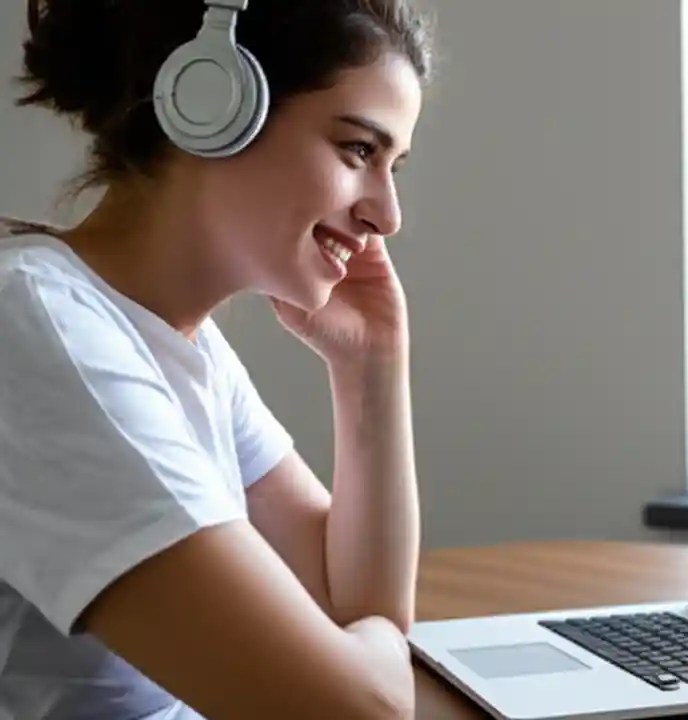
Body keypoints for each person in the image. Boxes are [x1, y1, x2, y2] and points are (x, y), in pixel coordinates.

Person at [0, 1, 431, 717]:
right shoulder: (41, 329)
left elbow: (347, 600)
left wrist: (373, 367)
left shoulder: (173, 342)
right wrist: (370, 651)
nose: (387, 215)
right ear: (214, 103)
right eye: (358, 151)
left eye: (393, 165)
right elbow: (359, 708)